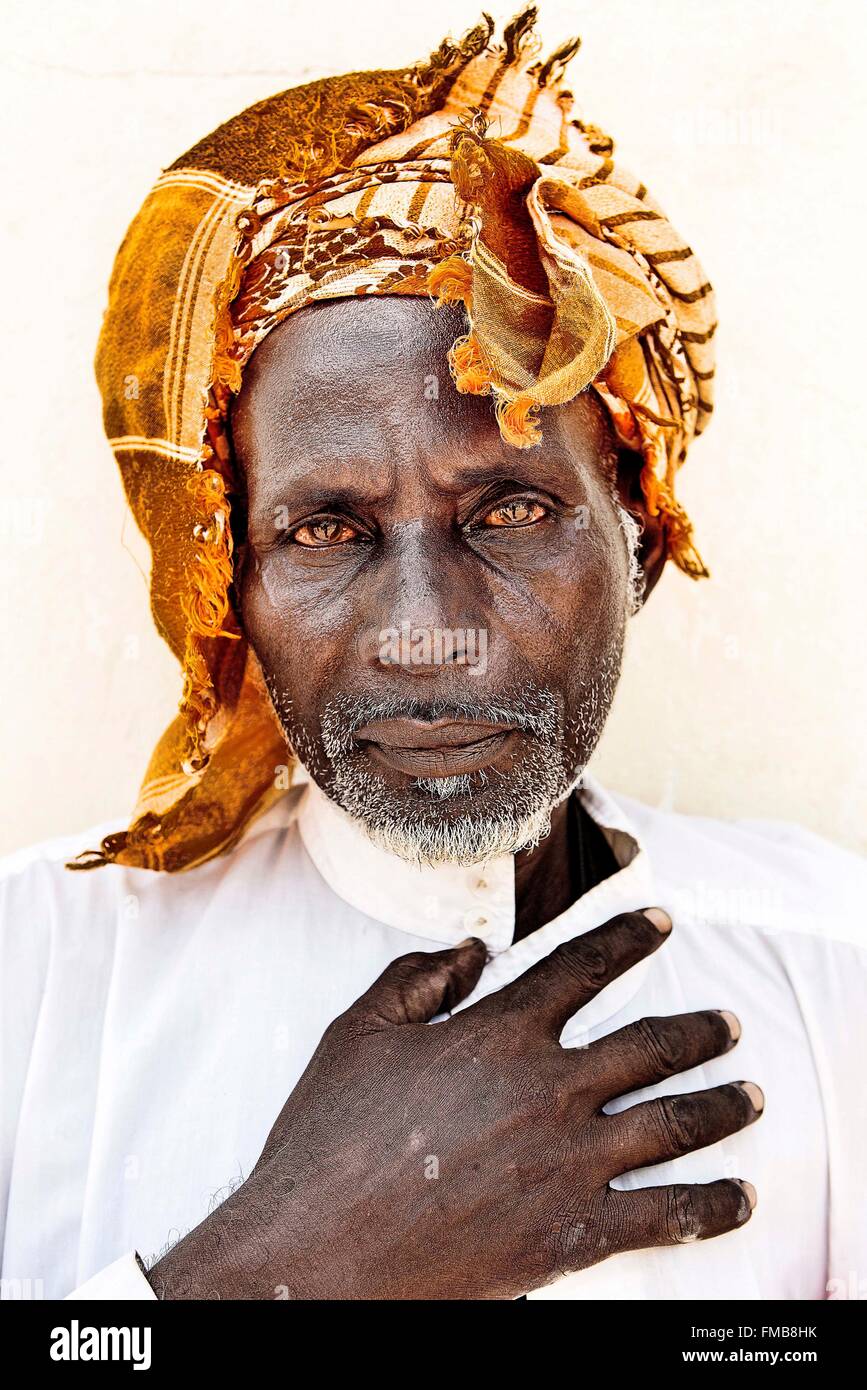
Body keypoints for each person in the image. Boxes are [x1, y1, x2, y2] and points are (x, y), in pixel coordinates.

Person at [2, 8, 864, 1302]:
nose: (422, 625)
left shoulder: (832, 964)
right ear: (227, 581)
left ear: (634, 536)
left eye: (509, 511)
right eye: (329, 525)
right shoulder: (42, 977)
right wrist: (279, 1270)